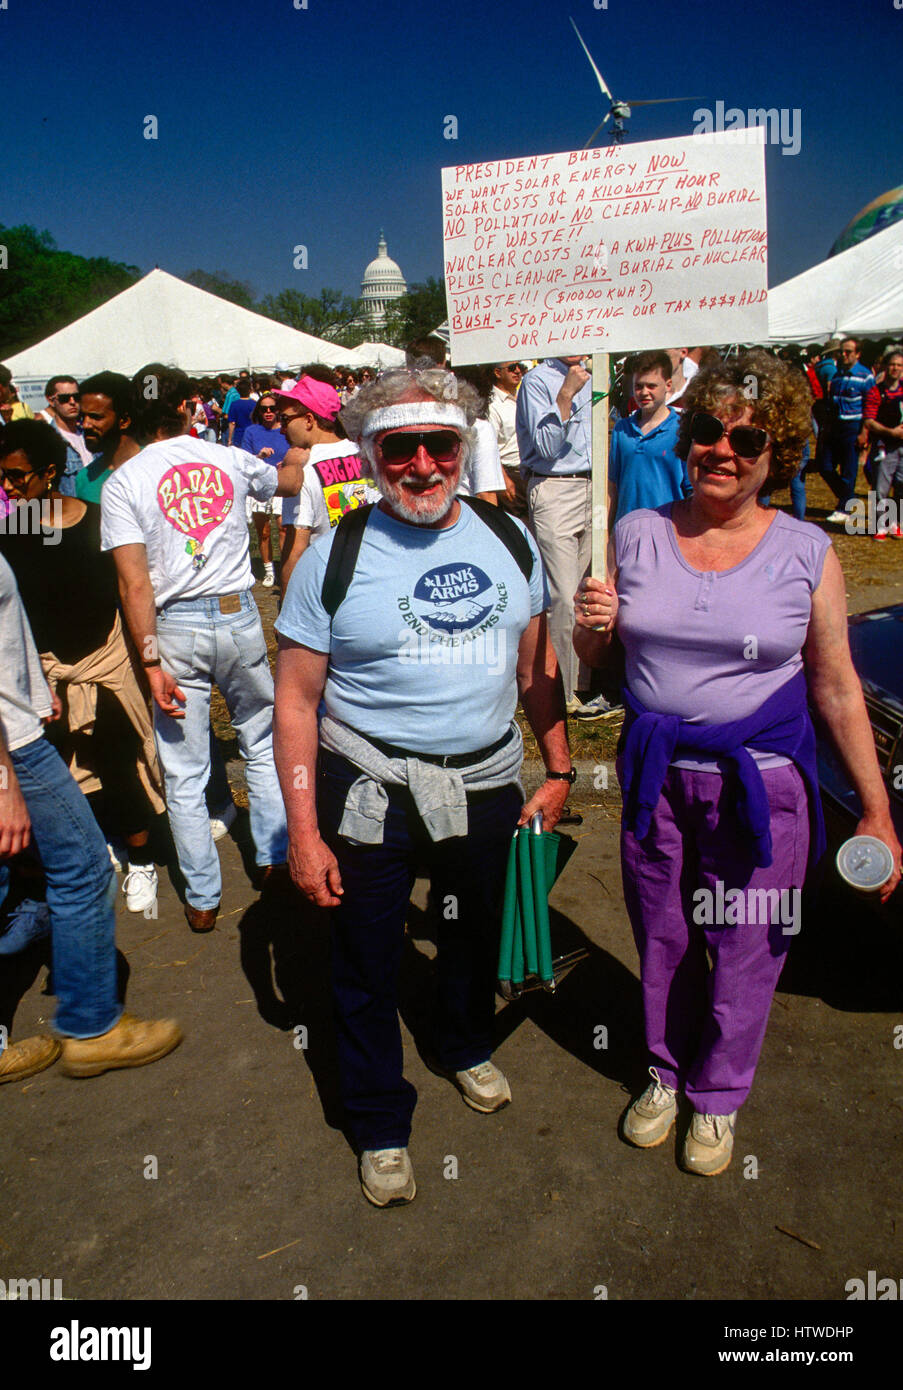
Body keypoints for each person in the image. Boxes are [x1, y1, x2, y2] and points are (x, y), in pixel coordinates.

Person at [574, 351, 901, 1177]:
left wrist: (875, 812)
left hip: (763, 782)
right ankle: (661, 1069)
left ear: (775, 451)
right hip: (655, 777)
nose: (723, 450)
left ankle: (716, 1096)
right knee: (664, 932)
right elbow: (599, 671)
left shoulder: (804, 550)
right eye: (709, 433)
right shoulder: (636, 532)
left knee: (749, 938)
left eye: (747, 437)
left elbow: (835, 689)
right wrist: (591, 627)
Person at [273, 364, 573, 1208]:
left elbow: (534, 668)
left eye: (438, 445)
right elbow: (293, 703)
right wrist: (303, 833)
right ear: (370, 454)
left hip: (485, 781)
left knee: (474, 934)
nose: (421, 466)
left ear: (461, 447)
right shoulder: (334, 555)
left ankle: (462, 1040)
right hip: (368, 787)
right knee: (364, 957)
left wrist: (557, 765)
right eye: (398, 447)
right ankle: (376, 1119)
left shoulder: (509, 538)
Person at [99, 365, 308, 931]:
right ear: (191, 404)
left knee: (184, 768)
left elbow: (133, 584)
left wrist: (148, 663)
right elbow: (289, 482)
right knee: (262, 740)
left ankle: (201, 898)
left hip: (172, 625)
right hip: (236, 613)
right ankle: (271, 860)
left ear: (129, 414)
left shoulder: (123, 481)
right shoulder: (229, 457)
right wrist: (296, 445)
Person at [0, 550, 182, 1080]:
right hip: (14, 746)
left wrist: (33, 687)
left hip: (19, 724)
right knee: (82, 865)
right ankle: (92, 1026)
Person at [0, 419, 165, 913]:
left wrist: (147, 658)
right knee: (64, 768)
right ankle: (90, 851)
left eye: (17, 476)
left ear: (49, 473)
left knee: (118, 758)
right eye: (2, 477)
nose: (8, 487)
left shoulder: (99, 520)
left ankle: (142, 861)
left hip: (106, 663)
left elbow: (130, 588)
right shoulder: (11, 533)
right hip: (47, 673)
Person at [516, 354, 615, 720]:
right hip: (554, 485)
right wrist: (566, 396)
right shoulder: (537, 381)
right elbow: (544, 447)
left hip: (592, 483)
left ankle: (584, 685)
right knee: (561, 593)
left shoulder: (599, 371)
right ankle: (560, 690)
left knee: (590, 587)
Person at [277, 371, 380, 590]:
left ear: (309, 420)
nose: (282, 429)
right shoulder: (368, 455)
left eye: (285, 419)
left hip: (329, 587)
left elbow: (295, 547)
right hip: (375, 579)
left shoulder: (301, 468)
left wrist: (287, 611)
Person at [608, 350, 687, 527]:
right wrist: (606, 533)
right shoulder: (622, 430)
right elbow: (612, 488)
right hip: (627, 528)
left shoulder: (681, 430)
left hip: (669, 529)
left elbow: (691, 490)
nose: (644, 392)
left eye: (651, 386)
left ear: (667, 385)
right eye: (638, 386)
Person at [820, 337, 876, 523]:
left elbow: (871, 405)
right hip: (835, 425)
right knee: (825, 465)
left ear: (857, 354)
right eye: (841, 352)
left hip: (853, 425)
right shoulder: (837, 375)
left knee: (848, 469)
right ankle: (847, 496)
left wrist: (864, 432)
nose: (843, 355)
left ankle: (845, 507)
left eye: (848, 352)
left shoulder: (865, 376)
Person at [241, 392, 289, 587]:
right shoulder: (252, 431)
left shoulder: (285, 430)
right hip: (260, 485)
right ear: (259, 412)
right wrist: (259, 456)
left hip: (282, 483)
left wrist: (287, 462)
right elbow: (244, 460)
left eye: (272, 408)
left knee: (283, 528)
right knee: (264, 532)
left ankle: (284, 568)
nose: (268, 412)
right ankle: (268, 570)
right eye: (264, 409)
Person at [74, 372, 141, 503]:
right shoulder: (85, 478)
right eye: (82, 417)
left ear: (124, 421)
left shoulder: (156, 465)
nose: (85, 425)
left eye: (96, 417)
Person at [863, 349, 903, 537]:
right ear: (886, 367)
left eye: (899, 365)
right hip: (884, 446)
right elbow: (869, 421)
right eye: (892, 364)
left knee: (901, 486)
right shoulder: (875, 391)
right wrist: (891, 432)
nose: (895, 368)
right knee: (881, 488)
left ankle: (894, 522)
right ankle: (879, 524)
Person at [35, 376, 93, 495]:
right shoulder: (46, 441)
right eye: (64, 398)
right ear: (51, 401)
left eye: (76, 397)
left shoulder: (90, 433)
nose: (72, 402)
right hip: (71, 510)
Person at [487, 360, 527, 518]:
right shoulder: (493, 405)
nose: (517, 371)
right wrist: (503, 479)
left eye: (520, 367)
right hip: (511, 475)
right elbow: (490, 447)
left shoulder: (523, 398)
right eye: (511, 368)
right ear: (498, 373)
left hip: (529, 473)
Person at [226, 377, 255, 450]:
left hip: (239, 434)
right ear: (250, 390)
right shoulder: (254, 404)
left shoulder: (234, 404)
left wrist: (229, 439)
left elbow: (232, 423)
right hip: (252, 434)